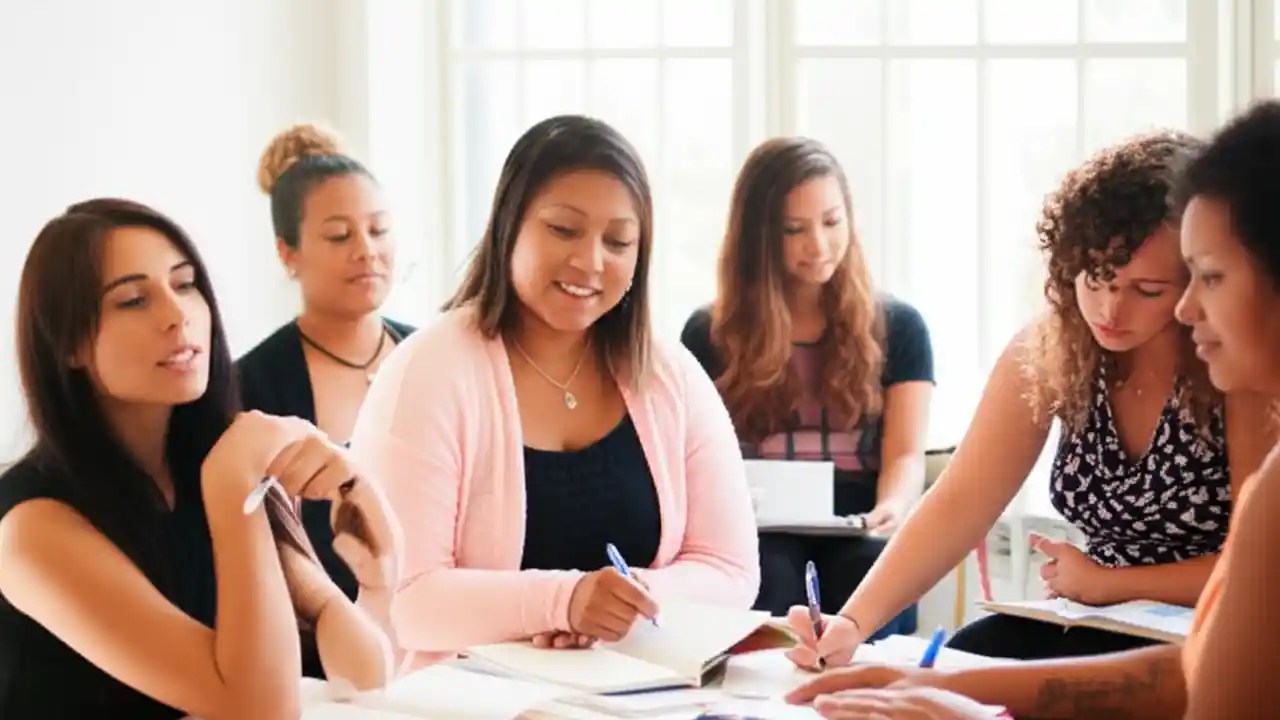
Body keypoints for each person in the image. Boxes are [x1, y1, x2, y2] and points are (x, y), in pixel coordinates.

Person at [783, 99, 1280, 720]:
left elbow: (1232, 625)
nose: (1110, 310)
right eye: (1091, 280)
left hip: (1177, 623)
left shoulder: (1238, 369)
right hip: (1093, 622)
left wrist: (1109, 583)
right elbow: (961, 502)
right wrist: (854, 623)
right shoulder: (1053, 349)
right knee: (960, 657)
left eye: (1153, 289)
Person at [348, 114, 760, 668]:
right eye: (564, 230)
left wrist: (620, 604)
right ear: (508, 226)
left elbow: (731, 569)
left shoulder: (670, 374)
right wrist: (564, 602)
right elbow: (407, 597)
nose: (591, 262)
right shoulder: (428, 371)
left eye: (618, 241)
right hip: (470, 701)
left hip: (641, 693)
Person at [0, 199, 399, 718]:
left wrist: (376, 577)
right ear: (69, 344)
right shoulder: (32, 528)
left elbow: (363, 670)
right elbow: (257, 710)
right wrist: (234, 488)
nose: (177, 315)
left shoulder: (208, 464)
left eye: (185, 284)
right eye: (134, 300)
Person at [680, 137, 933, 638]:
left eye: (832, 222)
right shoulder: (709, 333)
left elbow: (906, 455)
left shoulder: (899, 327)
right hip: (757, 524)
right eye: (794, 230)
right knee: (765, 580)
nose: (818, 246)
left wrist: (891, 509)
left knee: (868, 577)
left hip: (857, 519)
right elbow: (692, 461)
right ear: (758, 238)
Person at [237, 123, 414, 604]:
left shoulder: (430, 356)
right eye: (339, 236)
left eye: (378, 229)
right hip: (323, 646)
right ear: (287, 253)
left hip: (450, 633)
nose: (367, 250)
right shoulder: (252, 386)